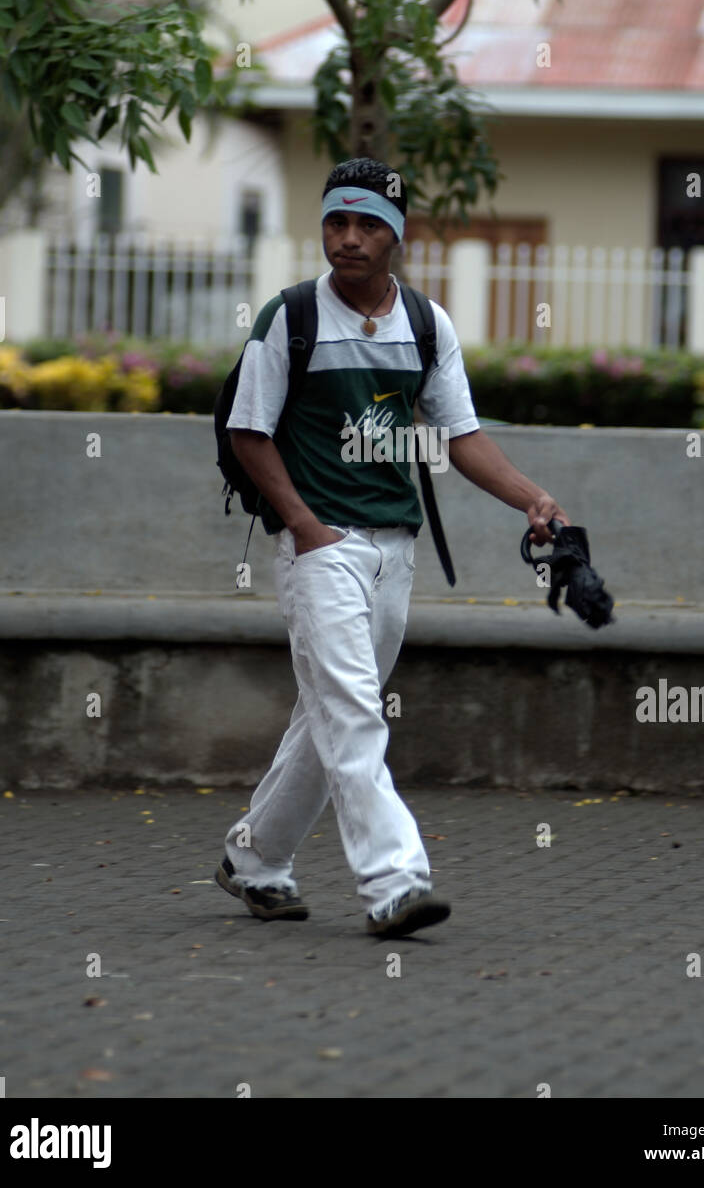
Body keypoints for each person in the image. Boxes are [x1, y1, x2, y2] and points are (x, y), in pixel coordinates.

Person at [215, 157, 569, 937]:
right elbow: (247, 430)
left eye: (367, 224)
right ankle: (394, 883)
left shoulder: (425, 323)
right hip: (322, 547)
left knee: (329, 716)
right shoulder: (290, 317)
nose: (347, 239)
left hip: (394, 547)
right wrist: (304, 526)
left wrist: (531, 501)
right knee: (352, 710)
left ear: (396, 235)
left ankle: (254, 858)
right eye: (335, 222)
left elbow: (459, 437)